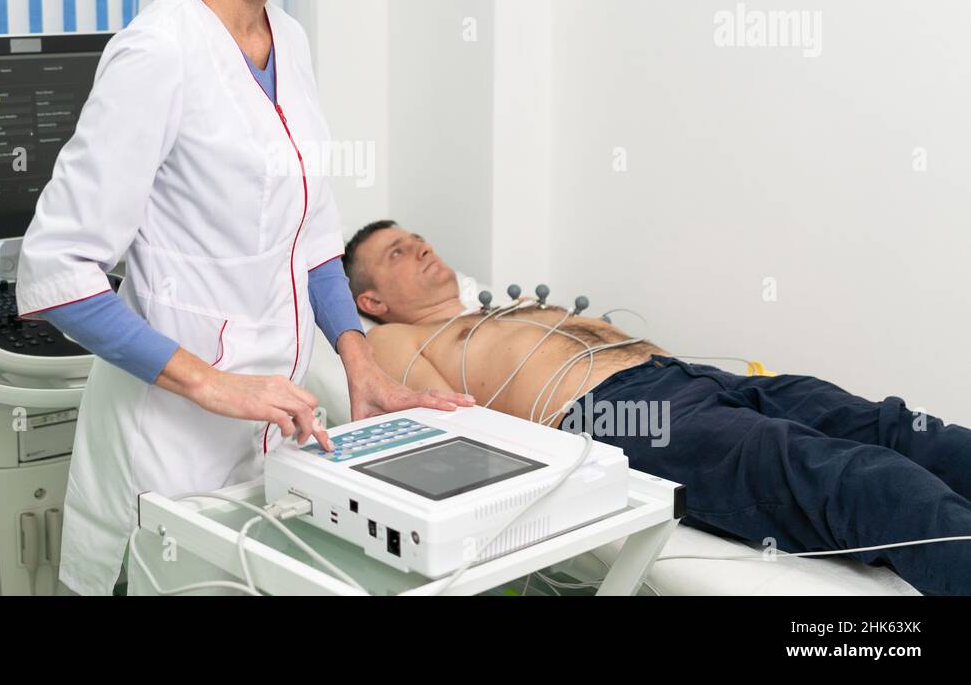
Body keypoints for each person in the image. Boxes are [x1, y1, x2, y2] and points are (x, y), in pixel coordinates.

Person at [15, 0, 471, 596]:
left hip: (274, 436)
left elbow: (315, 238)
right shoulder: (158, 53)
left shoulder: (286, 41)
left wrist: (358, 362)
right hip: (167, 453)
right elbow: (57, 274)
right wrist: (215, 384)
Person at [343, 219, 971, 595]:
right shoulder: (392, 338)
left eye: (418, 238)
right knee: (853, 476)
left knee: (900, 429)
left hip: (691, 376)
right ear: (370, 301)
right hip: (616, 411)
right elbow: (433, 413)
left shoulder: (488, 311)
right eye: (397, 252)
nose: (420, 248)